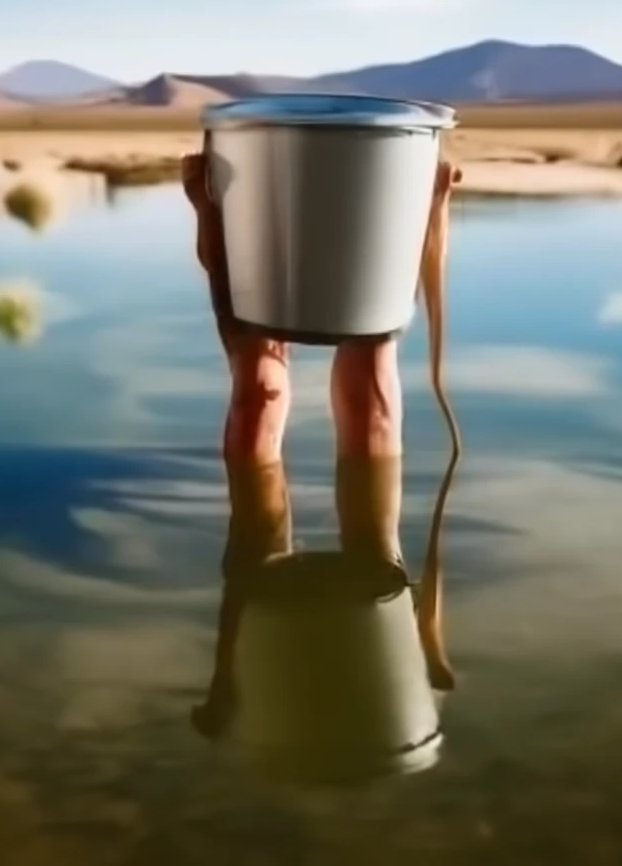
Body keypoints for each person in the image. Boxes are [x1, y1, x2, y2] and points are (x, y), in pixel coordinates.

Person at [181, 152, 459, 737]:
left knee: (371, 401)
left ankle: (394, 621)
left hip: (373, 163)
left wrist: (424, 197)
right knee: (258, 390)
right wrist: (214, 206)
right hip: (265, 169)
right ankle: (234, 660)